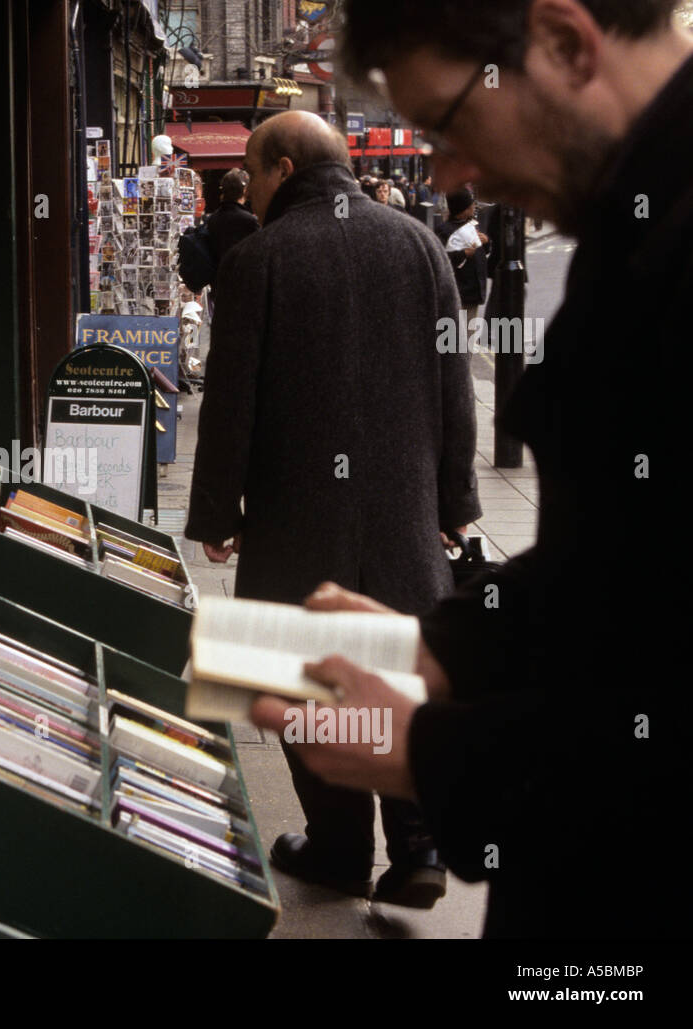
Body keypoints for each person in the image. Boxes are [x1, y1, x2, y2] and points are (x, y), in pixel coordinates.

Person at [251, 0, 690, 939]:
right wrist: (443, 647)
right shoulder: (633, 218)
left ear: (567, 43)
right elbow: (621, 563)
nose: (448, 173)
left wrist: (425, 748)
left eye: (449, 125)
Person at [185, 110, 482, 908]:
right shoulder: (419, 245)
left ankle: (340, 843)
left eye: (251, 169)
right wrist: (456, 500)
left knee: (298, 666)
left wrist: (216, 512)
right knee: (395, 656)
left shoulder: (259, 260)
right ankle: (416, 840)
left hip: (295, 515)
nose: (247, 182)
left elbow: (230, 403)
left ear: (283, 167)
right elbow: (454, 386)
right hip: (405, 509)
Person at [436, 186, 491, 323]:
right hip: (459, 293)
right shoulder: (444, 231)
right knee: (459, 337)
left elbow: (484, 252)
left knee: (470, 335)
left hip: (473, 292)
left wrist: (486, 242)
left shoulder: (472, 224)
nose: (474, 207)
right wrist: (463, 254)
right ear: (463, 209)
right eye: (472, 205)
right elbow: (440, 260)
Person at [205, 168, 260, 267]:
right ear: (245, 190)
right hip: (242, 276)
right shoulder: (249, 220)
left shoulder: (213, 218)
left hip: (218, 277)